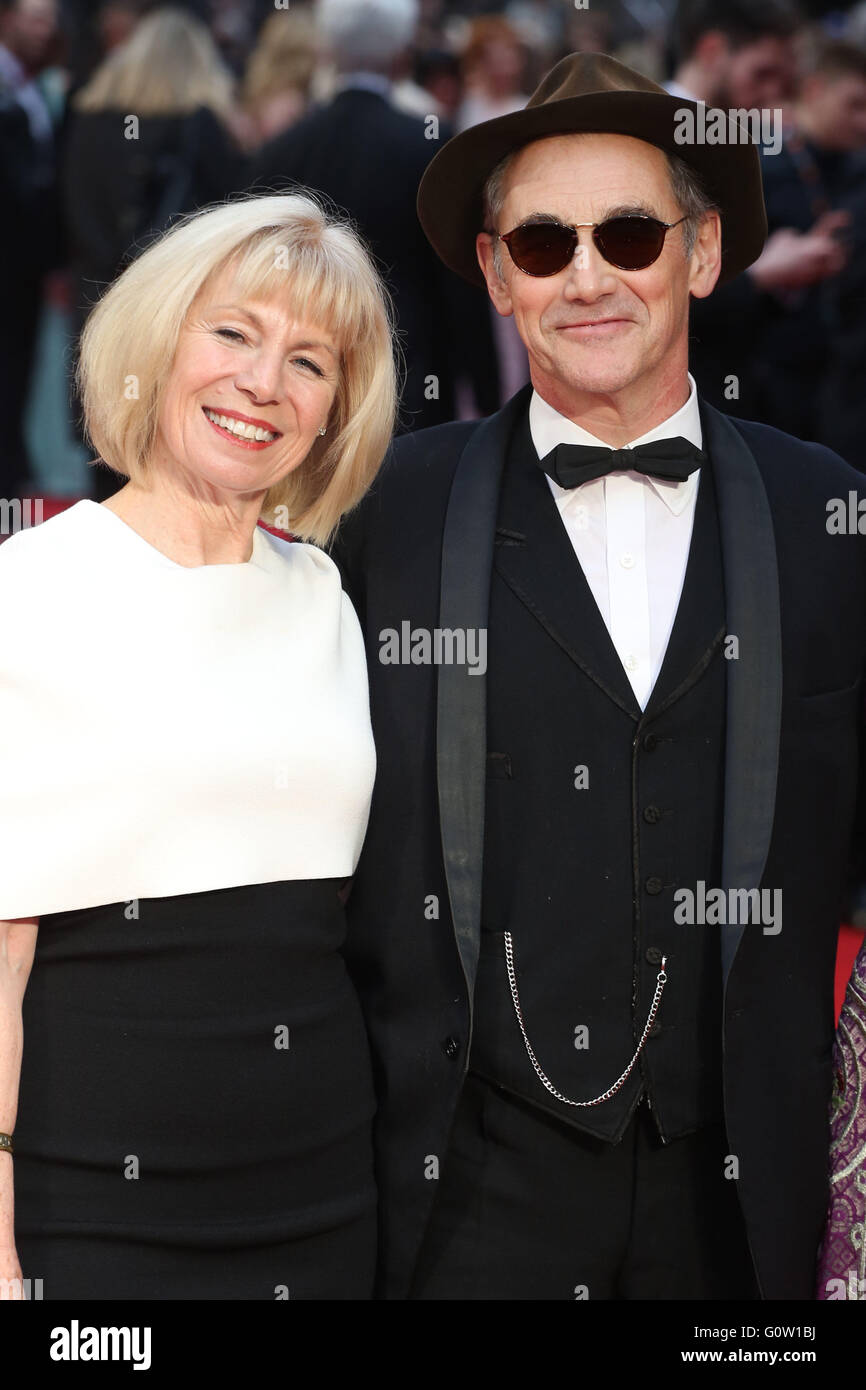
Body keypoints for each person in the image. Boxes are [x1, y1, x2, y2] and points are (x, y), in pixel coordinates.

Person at [330, 51, 866, 1300]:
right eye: (540, 242)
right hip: (459, 1201)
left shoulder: (828, 518)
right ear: (491, 273)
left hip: (743, 1208)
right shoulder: (387, 514)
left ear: (700, 253)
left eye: (627, 234)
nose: (584, 275)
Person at [0, 190, 397, 1300]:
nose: (263, 383)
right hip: (94, 1216)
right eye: (231, 333)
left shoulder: (322, 594)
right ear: (156, 346)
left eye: (309, 361)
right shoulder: (27, 591)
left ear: (334, 411)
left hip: (319, 1197)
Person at [248, 0, 500, 430]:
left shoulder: (282, 150)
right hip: (410, 381)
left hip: (303, 378)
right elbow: (459, 284)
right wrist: (489, 399)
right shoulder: (428, 148)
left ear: (326, 48)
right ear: (403, 50)